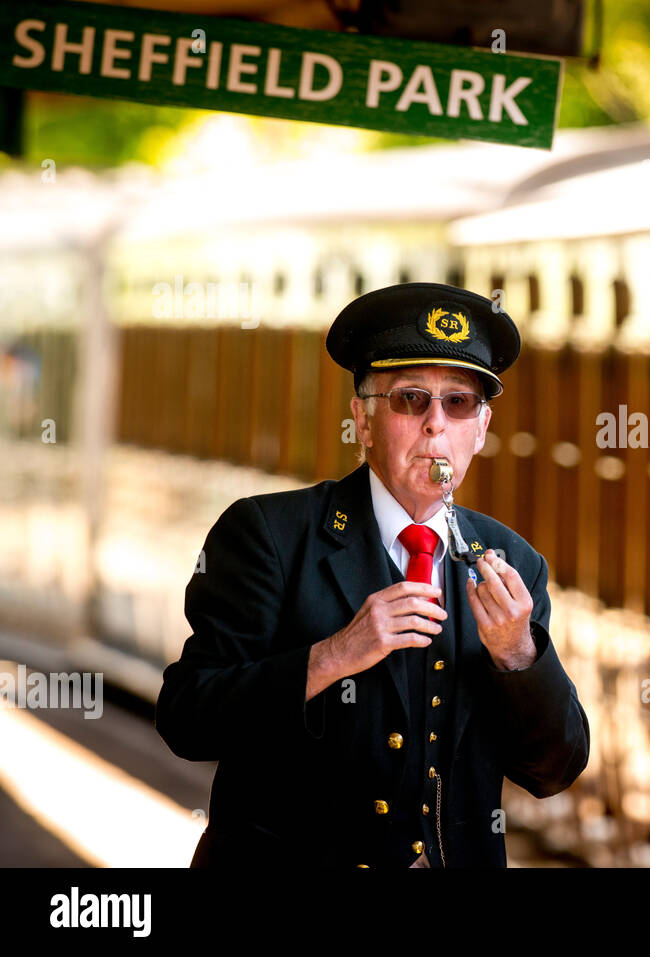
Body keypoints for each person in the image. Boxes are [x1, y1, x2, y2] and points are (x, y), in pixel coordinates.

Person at [155, 282, 589, 868]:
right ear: (362, 418)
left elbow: (553, 771)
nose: (436, 425)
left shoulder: (515, 562)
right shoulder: (268, 534)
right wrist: (333, 655)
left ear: (480, 430)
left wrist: (518, 653)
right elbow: (188, 720)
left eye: (458, 403)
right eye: (411, 399)